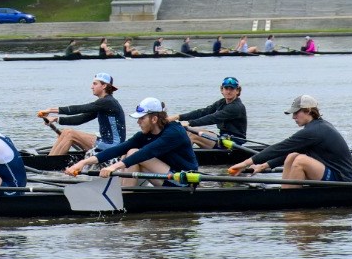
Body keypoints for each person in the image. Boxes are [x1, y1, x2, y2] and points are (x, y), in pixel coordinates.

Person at [65, 98, 198, 186]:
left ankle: (125, 196)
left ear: (154, 119)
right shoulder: (144, 135)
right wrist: (82, 163)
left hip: (185, 181)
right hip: (167, 176)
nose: (138, 122)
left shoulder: (174, 132)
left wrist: (113, 167)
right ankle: (122, 191)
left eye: (142, 118)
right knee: (126, 153)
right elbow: (117, 149)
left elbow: (146, 152)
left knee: (133, 153)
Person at [229, 94, 352, 185]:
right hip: (331, 173)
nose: (293, 117)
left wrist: (245, 163)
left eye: (296, 113)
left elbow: (279, 148)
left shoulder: (314, 131)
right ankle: (286, 191)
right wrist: (263, 166)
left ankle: (290, 198)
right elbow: (287, 151)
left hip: (342, 180)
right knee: (292, 155)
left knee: (300, 161)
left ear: (308, 111)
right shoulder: (317, 126)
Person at [37, 73, 126, 155]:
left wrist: (50, 110)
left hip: (113, 146)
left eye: (95, 84)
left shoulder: (108, 102)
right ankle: (50, 158)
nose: (91, 87)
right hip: (105, 142)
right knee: (65, 132)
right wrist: (56, 119)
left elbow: (79, 109)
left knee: (70, 133)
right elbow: (81, 119)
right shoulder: (104, 104)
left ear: (104, 86)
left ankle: (51, 162)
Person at [178, 76, 249, 148]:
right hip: (223, 138)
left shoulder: (236, 107)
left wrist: (189, 123)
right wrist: (179, 117)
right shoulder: (221, 102)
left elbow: (213, 118)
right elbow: (204, 112)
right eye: (226, 88)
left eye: (231, 89)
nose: (228, 91)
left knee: (193, 135)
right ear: (222, 90)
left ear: (237, 91)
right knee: (188, 131)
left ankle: (183, 154)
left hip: (234, 143)